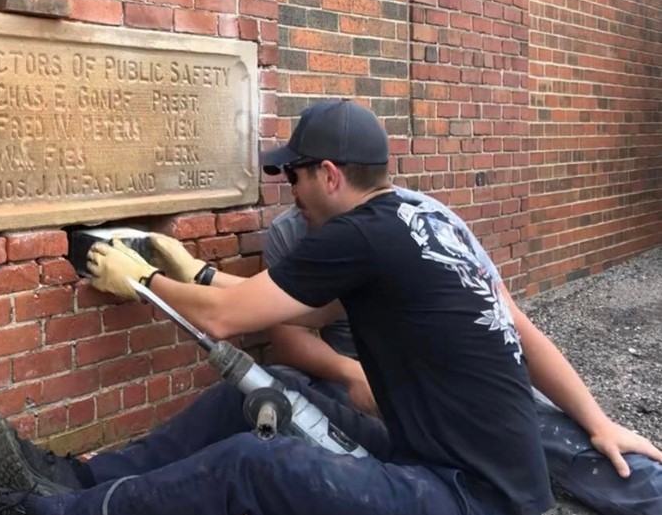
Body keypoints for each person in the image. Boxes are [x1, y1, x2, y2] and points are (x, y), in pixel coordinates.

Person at [0, 99, 662, 515]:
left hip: (468, 500)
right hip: (441, 463)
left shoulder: (358, 235)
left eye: (295, 176)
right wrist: (598, 424)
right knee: (270, 396)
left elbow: (222, 321)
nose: (289, 192)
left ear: (330, 173)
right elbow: (519, 327)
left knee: (251, 465)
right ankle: (73, 478)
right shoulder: (429, 220)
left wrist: (138, 278)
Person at [264, 194, 662, 515]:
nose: (295, 184)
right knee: (281, 388)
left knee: (552, 433)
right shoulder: (294, 231)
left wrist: (598, 422)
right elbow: (286, 336)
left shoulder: (428, 220)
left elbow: (512, 325)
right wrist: (351, 374)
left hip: (451, 378)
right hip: (362, 385)